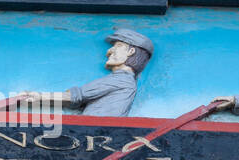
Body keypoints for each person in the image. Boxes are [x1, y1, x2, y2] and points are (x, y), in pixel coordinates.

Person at [24, 28, 153, 118]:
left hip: (94, 130)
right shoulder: (126, 81)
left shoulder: (121, 80)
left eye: (118, 46)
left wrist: (38, 97)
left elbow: (76, 96)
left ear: (131, 52)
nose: (109, 51)